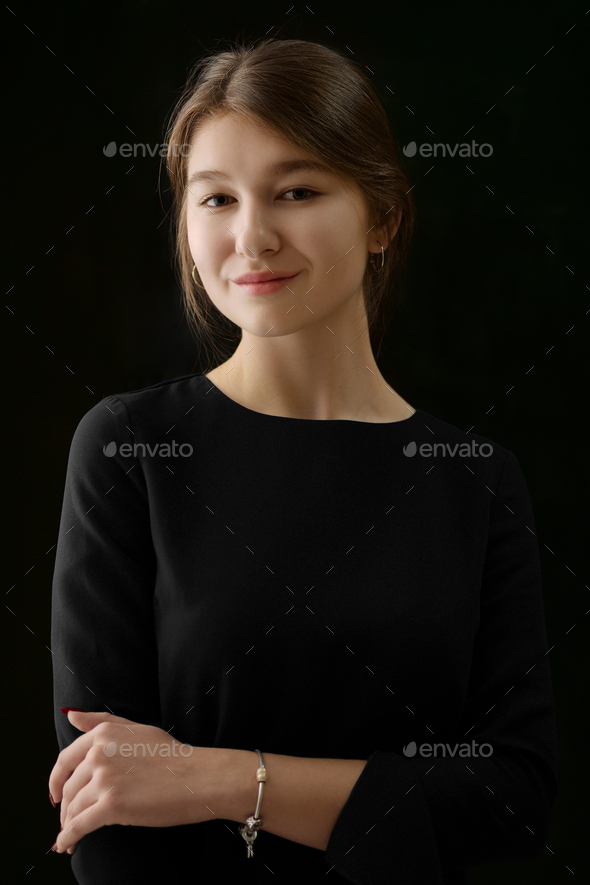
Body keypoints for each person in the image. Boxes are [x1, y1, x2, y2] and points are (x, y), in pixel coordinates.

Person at [48, 37, 558, 884]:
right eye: (215, 198)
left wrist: (220, 777)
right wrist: (373, 799)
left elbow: (512, 799)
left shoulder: (475, 476)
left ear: (383, 216)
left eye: (297, 191)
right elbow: (106, 805)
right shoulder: (127, 448)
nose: (252, 235)